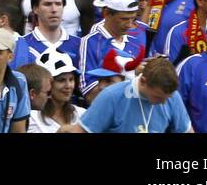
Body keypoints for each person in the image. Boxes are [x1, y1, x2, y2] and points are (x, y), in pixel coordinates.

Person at [63, 56, 192, 132]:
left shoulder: (172, 96)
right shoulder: (112, 96)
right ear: (143, 81)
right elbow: (81, 130)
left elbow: (187, 131)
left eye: (167, 98)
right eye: (158, 97)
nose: (164, 102)